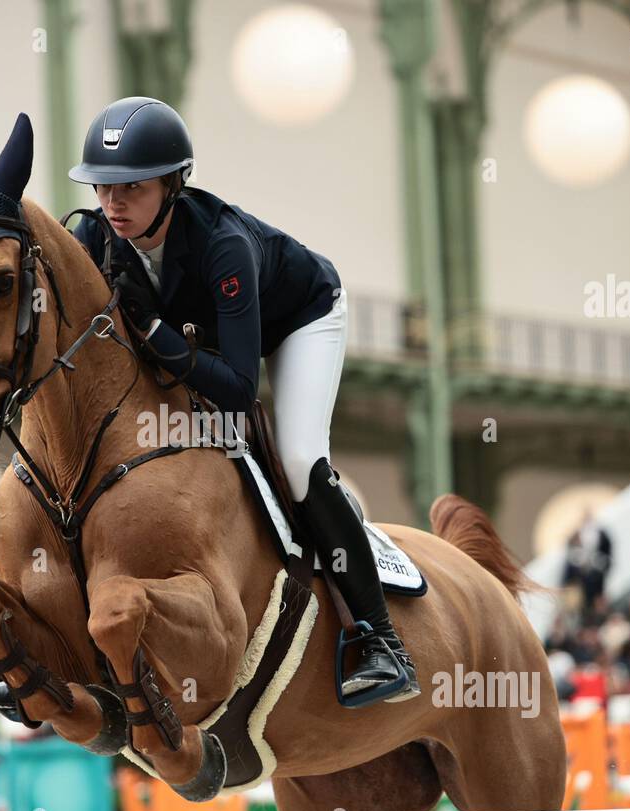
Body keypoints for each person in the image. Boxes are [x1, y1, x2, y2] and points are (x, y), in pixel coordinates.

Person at [67, 96, 419, 707]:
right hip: (209, 339)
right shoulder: (95, 234)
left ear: (174, 184)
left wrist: (152, 331)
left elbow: (236, 389)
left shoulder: (221, 246)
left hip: (298, 320)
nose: (112, 204)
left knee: (299, 458)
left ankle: (381, 640)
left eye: (133, 188)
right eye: (102, 187)